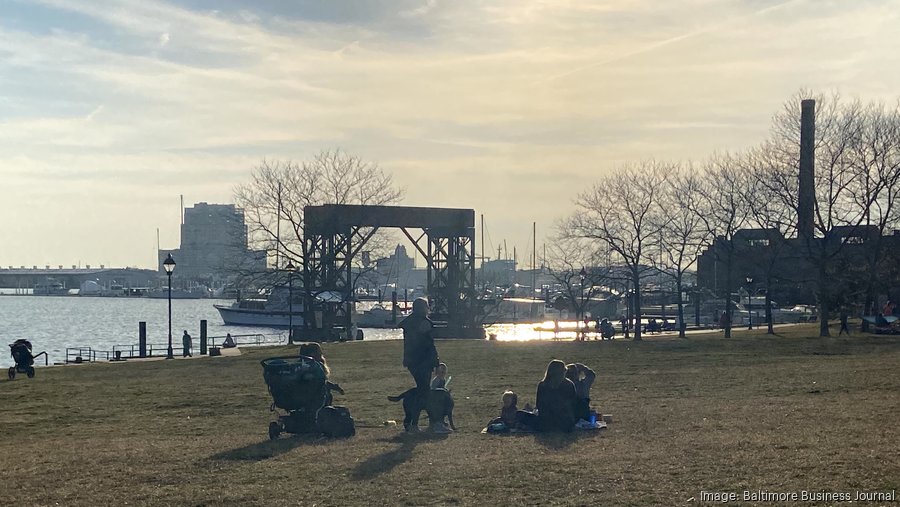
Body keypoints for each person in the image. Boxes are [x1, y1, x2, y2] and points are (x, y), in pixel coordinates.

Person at [399, 297, 439, 431]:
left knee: (423, 391)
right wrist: (436, 361)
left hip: (412, 361)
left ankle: (414, 422)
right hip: (424, 362)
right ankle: (420, 423)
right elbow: (429, 344)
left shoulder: (409, 322)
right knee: (424, 392)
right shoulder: (424, 323)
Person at [535, 359, 577, 432]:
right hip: (565, 423)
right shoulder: (569, 384)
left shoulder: (542, 385)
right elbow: (573, 404)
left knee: (521, 415)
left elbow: (539, 405)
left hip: (546, 423)